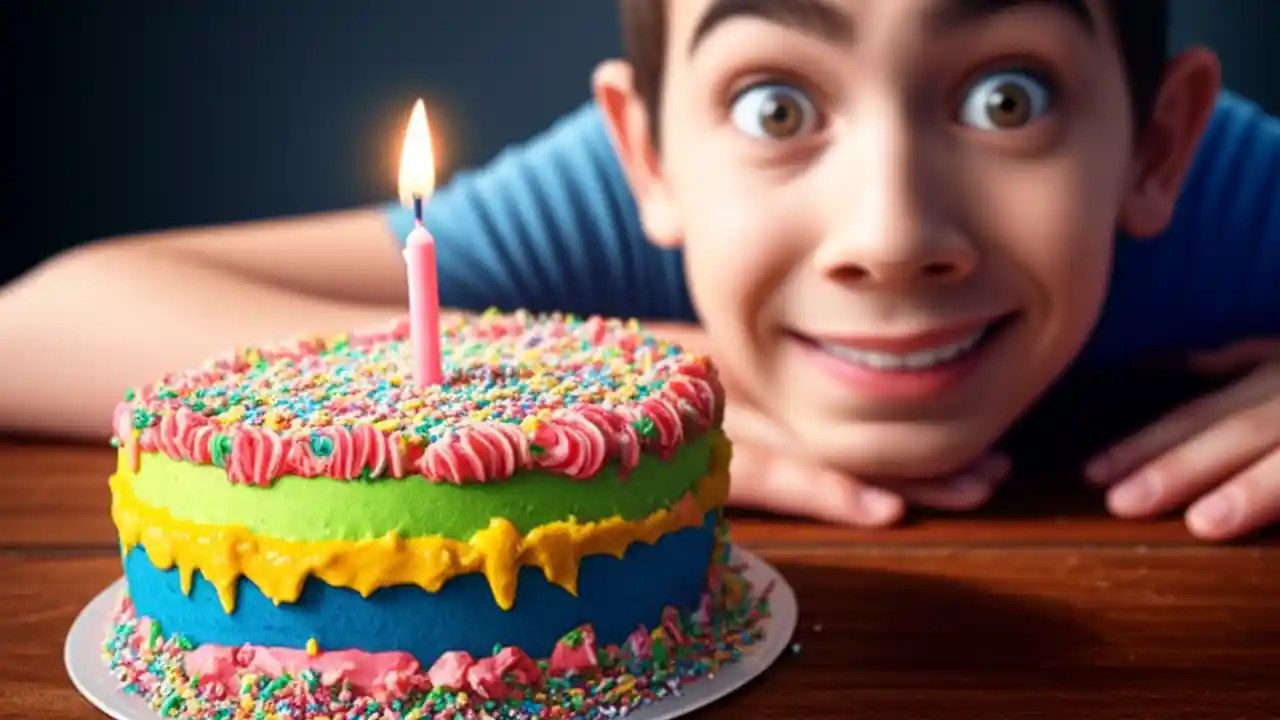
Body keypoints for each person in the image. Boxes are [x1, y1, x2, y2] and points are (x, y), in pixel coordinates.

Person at [2, 0, 1276, 540]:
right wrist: (577, 369)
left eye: (1007, 99)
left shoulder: (1220, 196)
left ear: (1154, 142)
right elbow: (33, 329)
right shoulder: (592, 219)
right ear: (646, 155)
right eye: (776, 106)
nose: (888, 233)